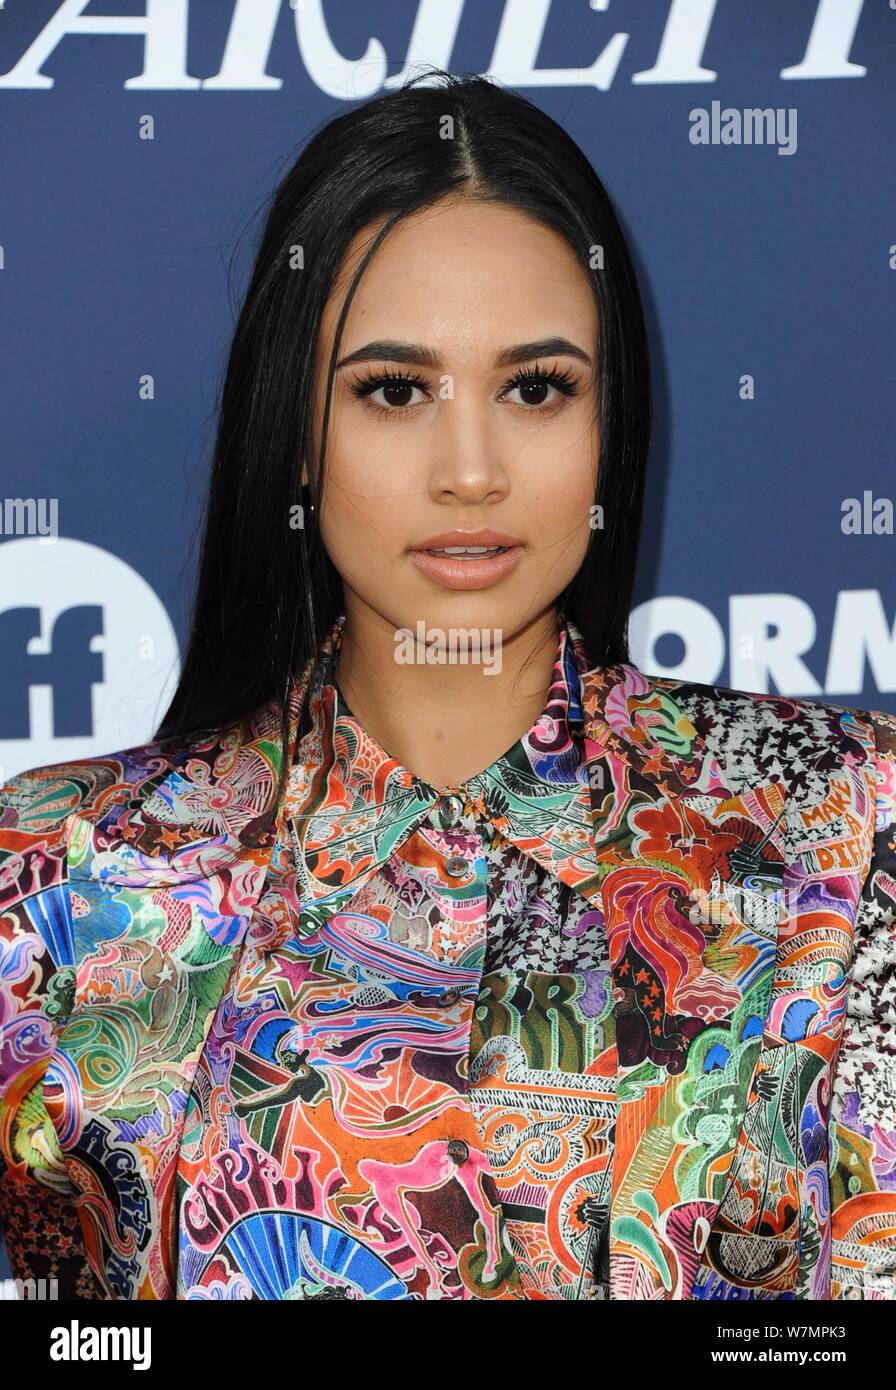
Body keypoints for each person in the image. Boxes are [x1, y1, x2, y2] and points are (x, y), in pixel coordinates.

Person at [0, 68, 893, 1303]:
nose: (469, 470)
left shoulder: (844, 834)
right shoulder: (55, 883)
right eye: (394, 390)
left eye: (534, 388)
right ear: (297, 433)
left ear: (606, 423)